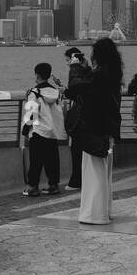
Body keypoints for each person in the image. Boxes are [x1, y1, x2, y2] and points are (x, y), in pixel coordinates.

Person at [70, 38, 123, 225]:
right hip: (107, 129)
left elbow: (76, 86)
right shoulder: (112, 74)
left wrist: (75, 67)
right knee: (102, 171)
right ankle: (104, 211)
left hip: (94, 128)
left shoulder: (100, 76)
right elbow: (89, 85)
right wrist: (85, 69)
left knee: (94, 172)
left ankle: (94, 214)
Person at [21, 62, 65, 197]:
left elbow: (31, 114)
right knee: (52, 160)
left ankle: (32, 187)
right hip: (53, 131)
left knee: (36, 161)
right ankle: (54, 185)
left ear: (37, 75)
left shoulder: (34, 92)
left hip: (39, 130)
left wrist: (25, 130)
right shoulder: (55, 92)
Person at [63, 47, 91, 191]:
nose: (68, 63)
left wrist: (74, 67)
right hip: (88, 120)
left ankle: (76, 182)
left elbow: (76, 90)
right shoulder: (89, 73)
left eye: (69, 60)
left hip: (81, 121)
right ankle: (82, 180)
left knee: (77, 151)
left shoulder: (77, 72)